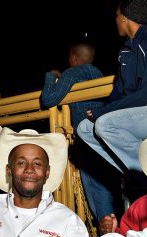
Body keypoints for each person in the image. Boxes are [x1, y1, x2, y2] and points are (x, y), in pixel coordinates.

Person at [75, 0, 147, 182]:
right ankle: (137, 173)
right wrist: (98, 112)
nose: (115, 20)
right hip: (144, 114)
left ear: (125, 18)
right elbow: (119, 93)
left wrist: (102, 113)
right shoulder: (126, 51)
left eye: (116, 16)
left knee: (105, 124)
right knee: (85, 128)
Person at [39, 42, 117, 224]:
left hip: (86, 131)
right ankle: (109, 223)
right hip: (103, 129)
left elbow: (49, 99)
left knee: (93, 182)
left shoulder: (72, 73)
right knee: (102, 180)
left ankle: (106, 228)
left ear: (74, 58)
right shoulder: (98, 74)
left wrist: (51, 75)